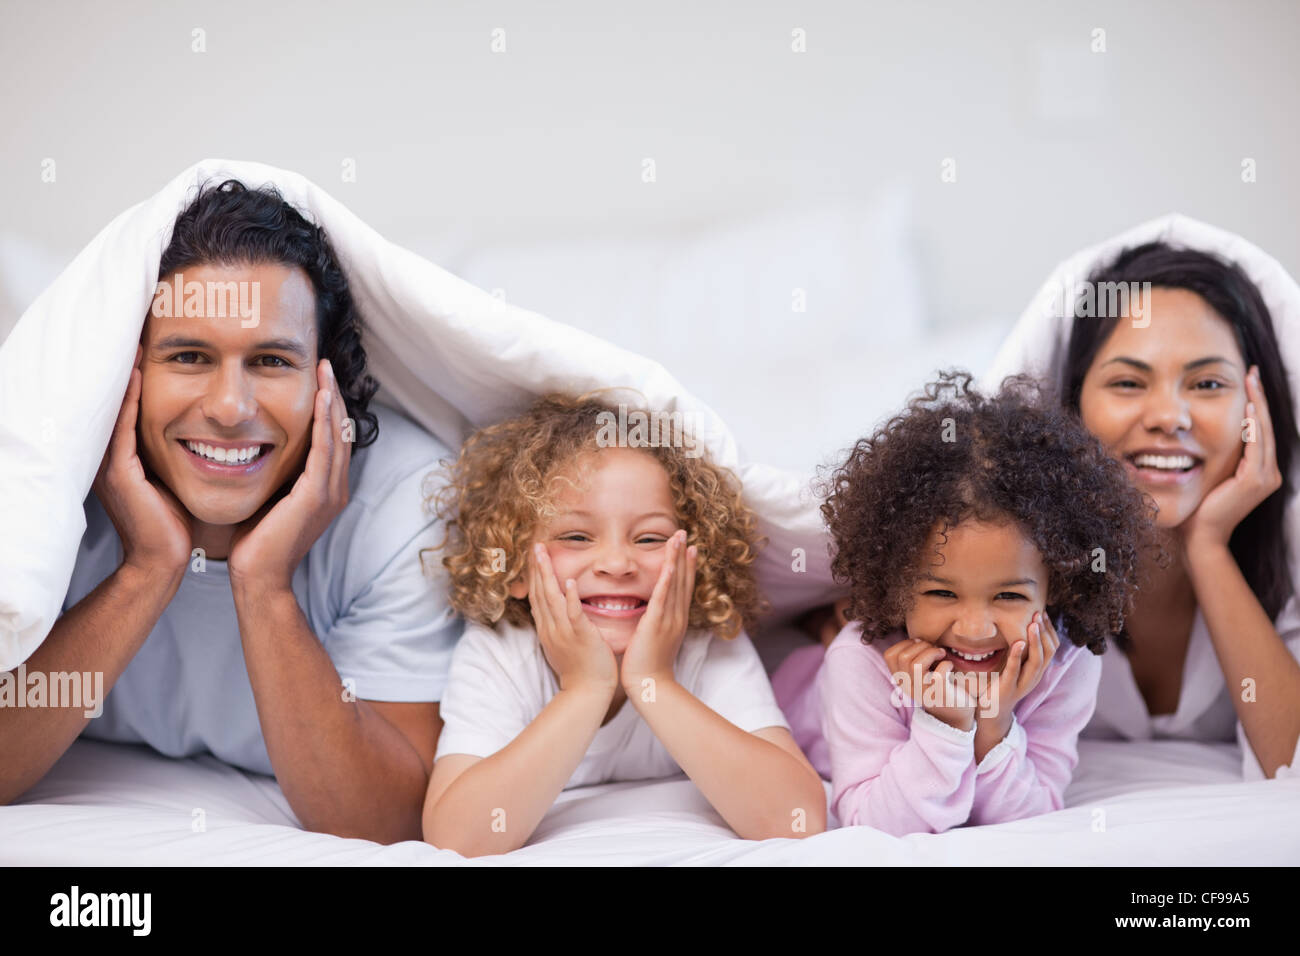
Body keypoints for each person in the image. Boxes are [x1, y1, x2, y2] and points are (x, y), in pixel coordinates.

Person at [0, 180, 462, 843]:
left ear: (326, 384)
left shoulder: (403, 503)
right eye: (189, 357)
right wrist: (148, 568)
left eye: (272, 361)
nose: (229, 408)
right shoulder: (46, 489)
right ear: (124, 372)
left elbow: (383, 820)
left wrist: (264, 584)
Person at [420, 392, 826, 856]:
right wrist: (584, 689)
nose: (616, 563)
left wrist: (653, 680)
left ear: (697, 561)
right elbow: (457, 840)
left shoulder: (706, 644)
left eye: (650, 537)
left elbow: (799, 821)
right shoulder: (500, 652)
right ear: (514, 567)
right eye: (576, 536)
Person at [770, 372, 1152, 835]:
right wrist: (944, 725)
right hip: (798, 693)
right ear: (897, 584)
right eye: (941, 592)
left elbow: (1033, 814)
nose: (974, 629)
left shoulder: (1069, 663)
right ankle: (826, 624)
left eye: (1009, 595)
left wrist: (992, 727)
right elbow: (875, 825)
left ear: (1056, 587)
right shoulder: (857, 662)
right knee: (837, 646)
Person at [1056, 241, 1300, 779]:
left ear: (1256, 406)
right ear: (1073, 408)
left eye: (1208, 383)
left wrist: (1207, 546)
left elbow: (1291, 763)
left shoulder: (1291, 539)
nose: (1170, 416)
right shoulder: (1011, 544)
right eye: (1127, 382)